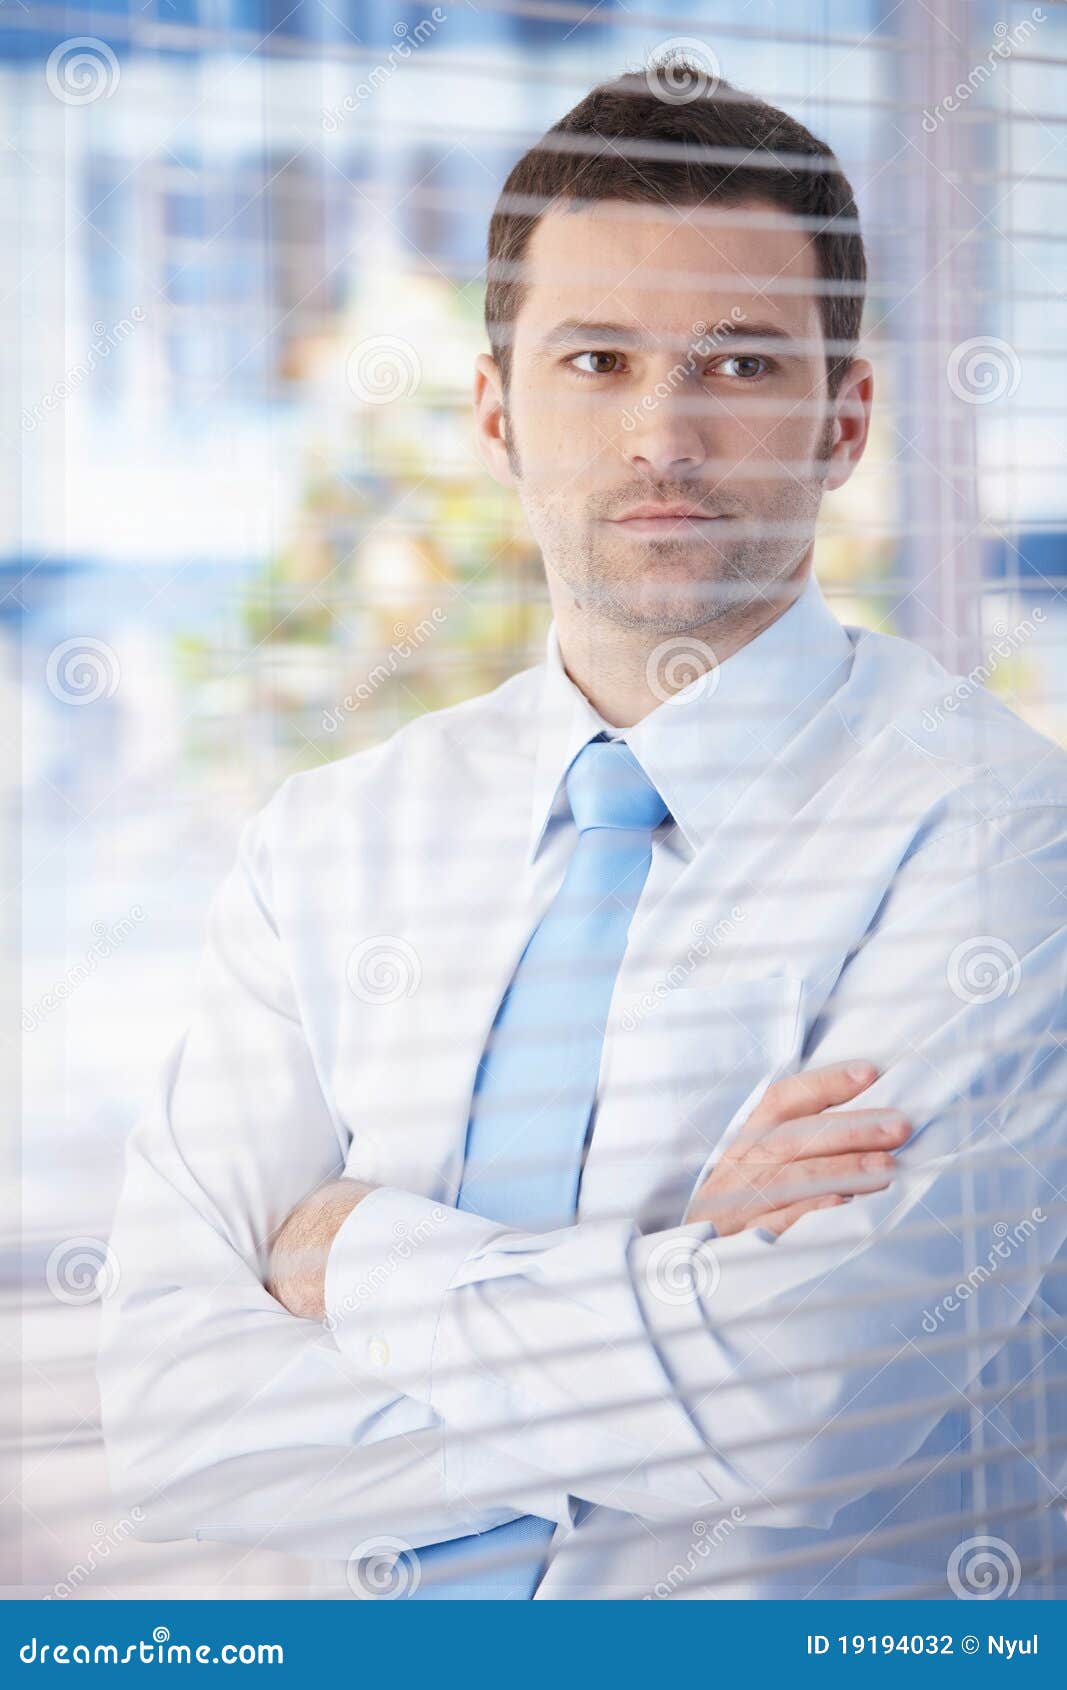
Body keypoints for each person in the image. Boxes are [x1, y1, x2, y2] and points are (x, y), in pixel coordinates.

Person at [97, 64, 1067, 1601]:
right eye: (597, 359)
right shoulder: (330, 848)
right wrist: (667, 1299)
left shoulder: (1003, 841)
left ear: (850, 414)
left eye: (740, 366)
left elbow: (807, 1414)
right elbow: (170, 1416)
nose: (662, 436)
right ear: (496, 412)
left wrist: (357, 1259)